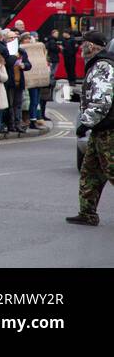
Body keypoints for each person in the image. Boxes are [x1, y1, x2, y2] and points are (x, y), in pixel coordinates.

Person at [69, 31, 113, 226]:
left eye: (84, 43)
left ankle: (87, 213)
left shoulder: (103, 66)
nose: (81, 47)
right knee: (91, 172)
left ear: (93, 46)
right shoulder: (97, 64)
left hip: (109, 128)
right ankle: (87, 213)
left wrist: (85, 122)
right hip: (100, 128)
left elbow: (102, 100)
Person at [19, 32, 51, 130]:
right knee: (32, 101)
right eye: (26, 39)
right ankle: (31, 120)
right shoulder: (21, 49)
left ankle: (33, 119)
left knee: (36, 101)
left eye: (29, 39)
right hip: (29, 79)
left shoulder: (35, 48)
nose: (28, 40)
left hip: (37, 78)